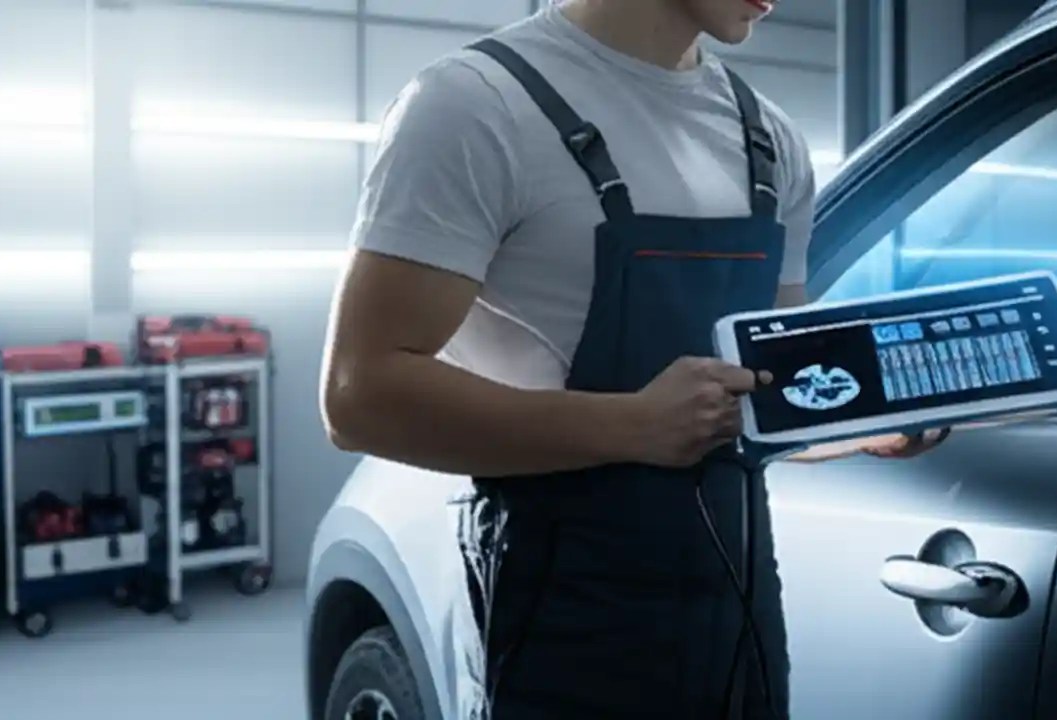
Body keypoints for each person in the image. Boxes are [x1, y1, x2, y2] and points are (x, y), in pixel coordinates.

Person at [322, 0, 947, 717]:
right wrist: (635, 426)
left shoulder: (769, 139)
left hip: (739, 606)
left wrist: (854, 422)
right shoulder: (474, 106)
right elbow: (359, 393)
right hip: (564, 608)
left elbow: (758, 393)